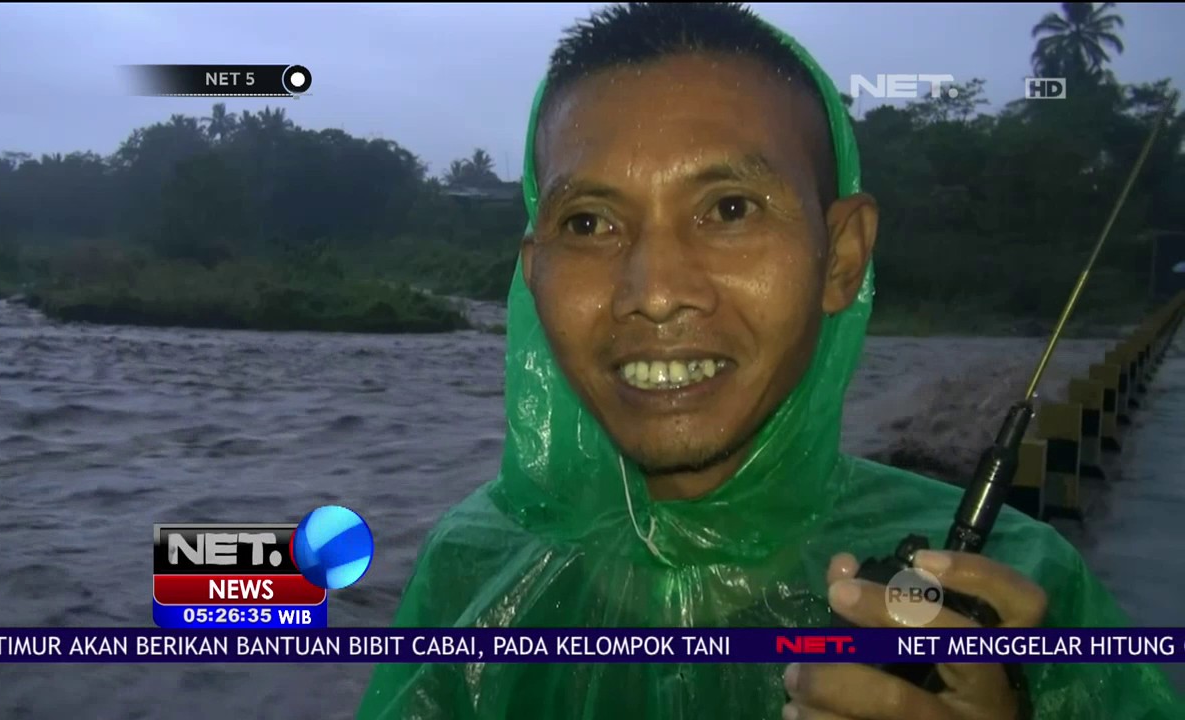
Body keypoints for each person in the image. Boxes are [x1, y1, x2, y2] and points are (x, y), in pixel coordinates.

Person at [357, 3, 1182, 718]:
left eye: (729, 209)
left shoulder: (1022, 593)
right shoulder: (472, 570)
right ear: (533, 273)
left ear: (842, 255)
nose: (655, 293)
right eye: (588, 224)